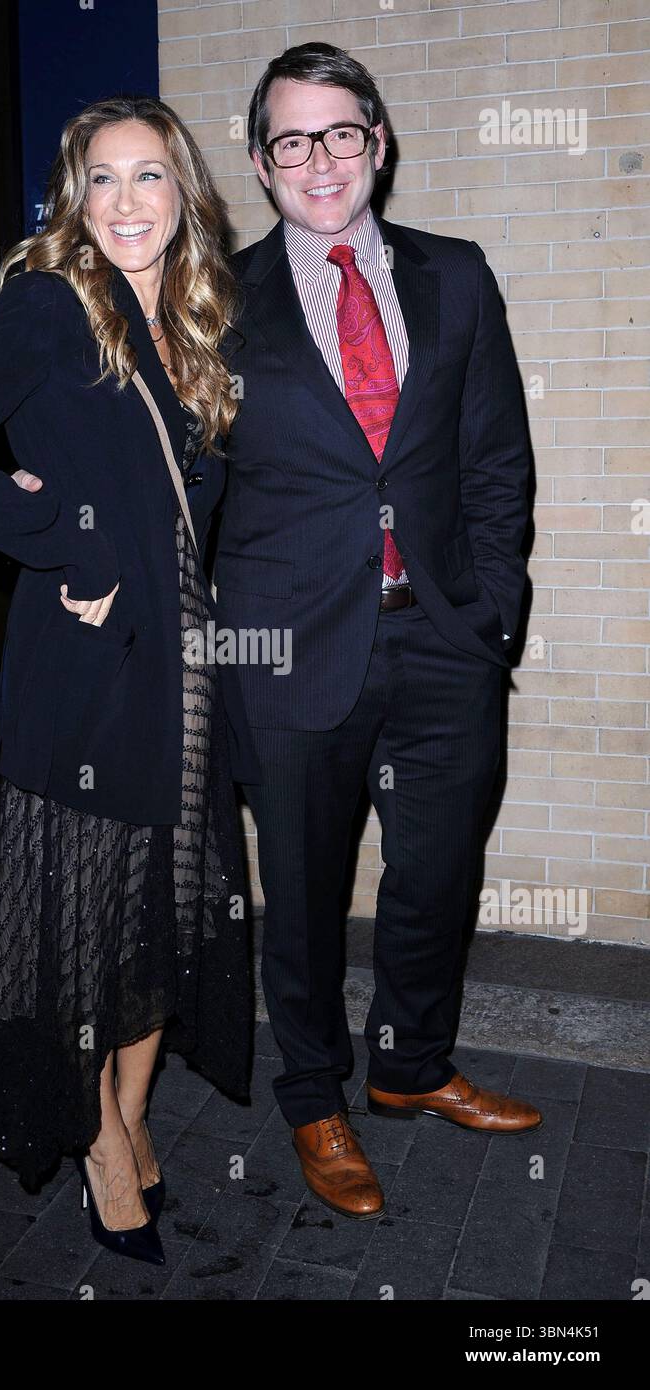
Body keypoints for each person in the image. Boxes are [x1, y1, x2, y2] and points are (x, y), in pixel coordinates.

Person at [0, 95, 261, 1265]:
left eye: (149, 176)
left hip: (186, 683)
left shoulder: (195, 327)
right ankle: (101, 1150)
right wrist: (62, 544)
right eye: (102, 179)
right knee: (89, 944)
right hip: (90, 680)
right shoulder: (53, 308)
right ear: (74, 196)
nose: (126, 201)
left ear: (183, 193)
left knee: (167, 923)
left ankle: (135, 1118)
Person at [211, 42, 542, 1220]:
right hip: (288, 653)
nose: (320, 159)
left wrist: (494, 613)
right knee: (297, 891)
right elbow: (189, 486)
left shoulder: (455, 277)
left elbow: (496, 460)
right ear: (260, 163)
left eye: (340, 132)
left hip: (445, 639)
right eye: (291, 139)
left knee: (436, 875)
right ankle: (313, 1095)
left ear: (377, 142)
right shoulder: (218, 302)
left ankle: (407, 1066)